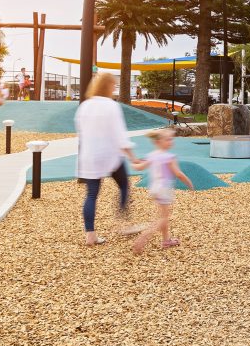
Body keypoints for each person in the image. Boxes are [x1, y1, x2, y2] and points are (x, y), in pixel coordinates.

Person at [75, 72, 140, 246]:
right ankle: (124, 223)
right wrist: (133, 157)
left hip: (89, 156)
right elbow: (120, 135)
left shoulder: (85, 106)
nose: (115, 88)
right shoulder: (111, 106)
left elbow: (80, 131)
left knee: (91, 194)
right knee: (124, 186)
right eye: (114, 85)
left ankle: (90, 235)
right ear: (107, 86)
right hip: (110, 155)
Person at [131, 128, 192, 254]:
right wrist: (189, 182)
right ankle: (144, 237)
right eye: (168, 139)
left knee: (163, 215)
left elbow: (139, 167)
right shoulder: (169, 157)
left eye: (171, 139)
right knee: (163, 218)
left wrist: (134, 164)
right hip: (164, 189)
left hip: (155, 189)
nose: (171, 141)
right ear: (159, 142)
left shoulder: (152, 155)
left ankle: (166, 240)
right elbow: (178, 174)